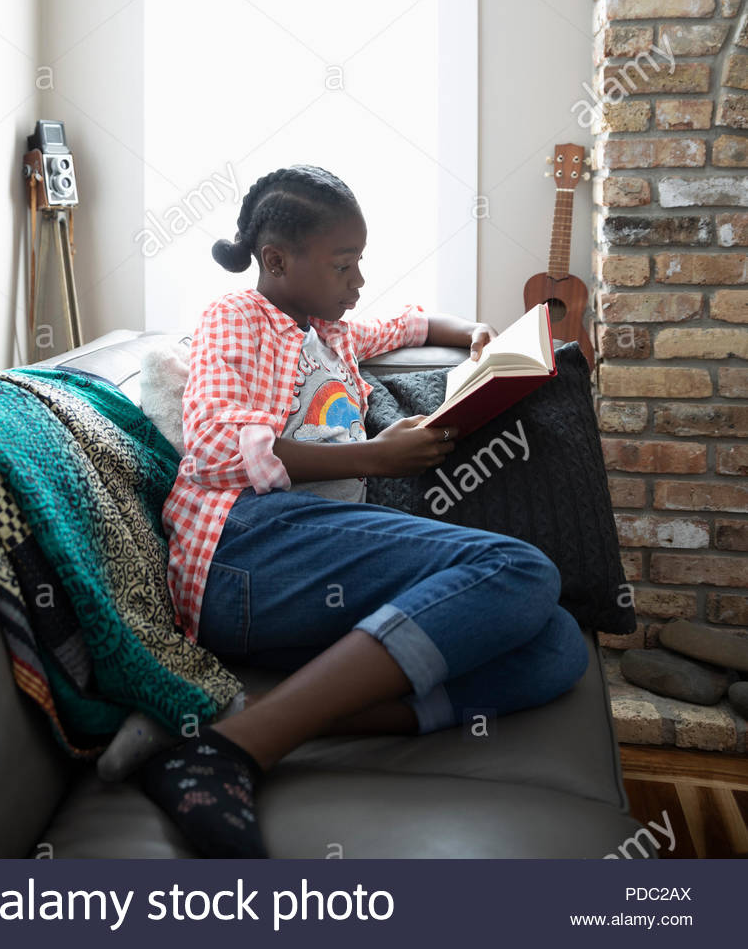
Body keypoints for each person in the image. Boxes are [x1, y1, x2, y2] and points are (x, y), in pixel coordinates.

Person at [137, 164, 588, 857]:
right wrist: (372, 457)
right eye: (344, 264)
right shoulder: (238, 319)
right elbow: (215, 447)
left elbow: (409, 320)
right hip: (243, 545)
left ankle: (248, 718)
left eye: (361, 263)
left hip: (309, 574)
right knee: (519, 569)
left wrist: (475, 333)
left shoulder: (336, 331)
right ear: (277, 260)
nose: (358, 281)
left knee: (557, 644)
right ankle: (225, 753)